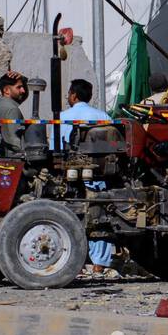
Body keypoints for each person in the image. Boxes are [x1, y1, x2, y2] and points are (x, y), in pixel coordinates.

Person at [60, 78, 115, 277]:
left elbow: (54, 149)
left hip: (69, 174)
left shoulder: (63, 117)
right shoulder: (103, 116)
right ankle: (99, 264)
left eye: (69, 93)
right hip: (100, 175)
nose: (68, 96)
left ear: (73, 95)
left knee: (73, 215)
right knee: (100, 216)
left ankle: (78, 263)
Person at [0, 71, 29, 157]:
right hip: (13, 158)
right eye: (19, 87)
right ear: (6, 90)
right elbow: (14, 139)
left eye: (23, 87)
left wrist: (23, 79)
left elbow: (24, 95)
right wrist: (26, 153)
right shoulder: (12, 109)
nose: (23, 90)